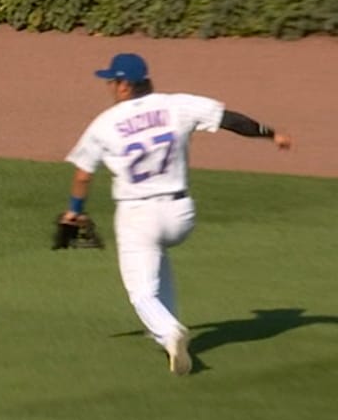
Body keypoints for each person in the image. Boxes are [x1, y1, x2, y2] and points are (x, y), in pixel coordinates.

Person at [62, 52, 291, 375]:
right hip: (180, 214)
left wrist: (74, 211)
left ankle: (169, 331)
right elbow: (230, 120)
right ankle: (165, 333)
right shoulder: (177, 105)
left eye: (112, 81)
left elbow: (83, 175)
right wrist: (271, 134)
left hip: (138, 215)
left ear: (126, 86)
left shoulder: (105, 124)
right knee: (159, 255)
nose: (110, 87)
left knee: (140, 293)